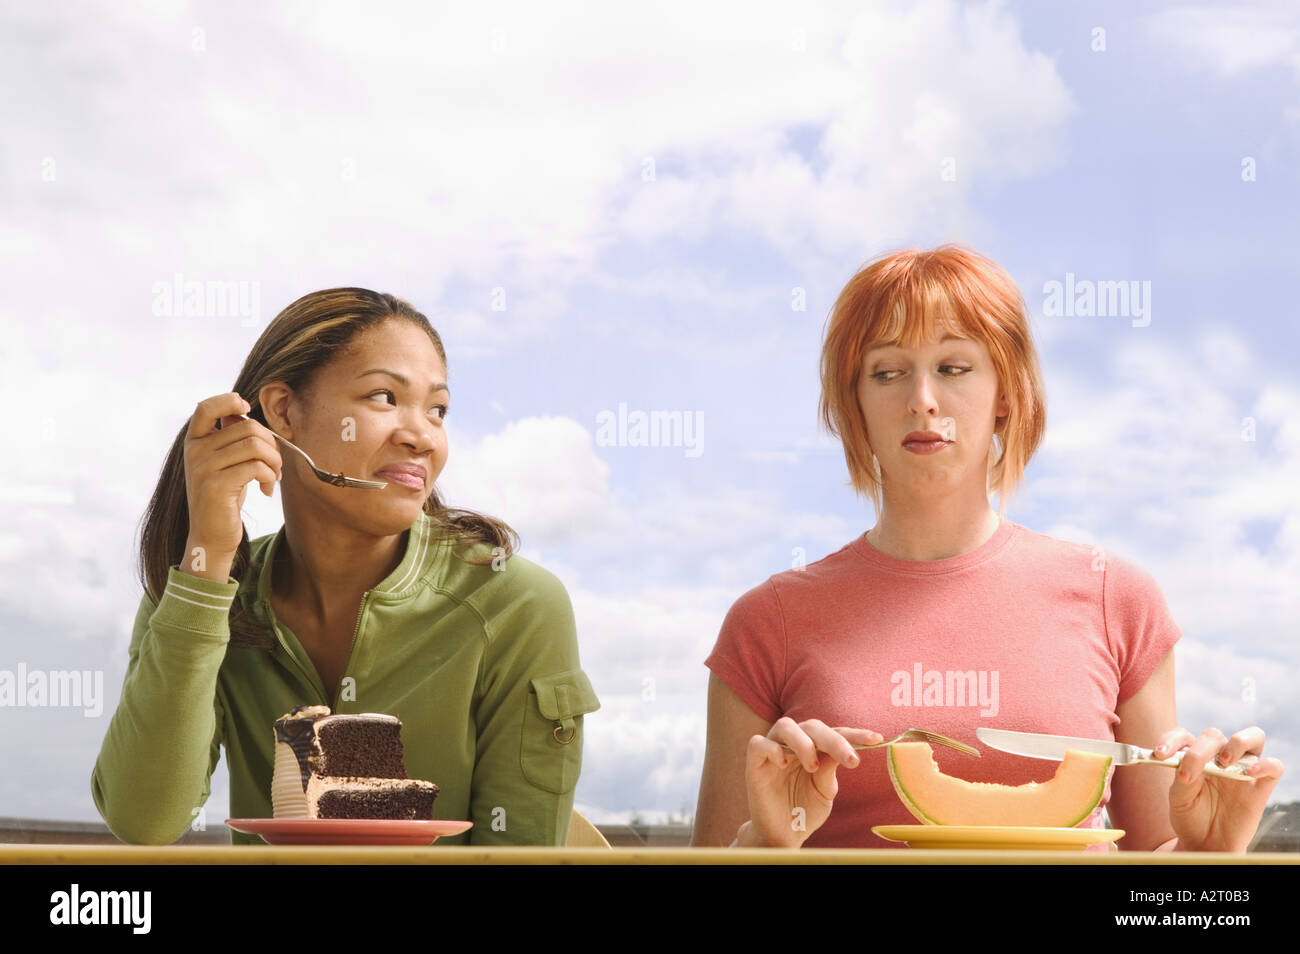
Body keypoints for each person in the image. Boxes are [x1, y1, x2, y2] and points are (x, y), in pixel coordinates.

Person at [692, 245, 1283, 851]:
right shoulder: (766, 623)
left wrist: (1210, 857)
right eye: (887, 371)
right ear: (855, 408)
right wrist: (766, 844)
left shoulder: (1120, 599)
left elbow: (1166, 913)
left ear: (1006, 396)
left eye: (954, 368)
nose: (922, 398)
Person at [93, 288, 599, 845]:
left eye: (438, 410)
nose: (422, 436)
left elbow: (518, 858)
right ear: (283, 411)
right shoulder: (202, 592)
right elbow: (144, 821)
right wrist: (207, 559)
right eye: (384, 397)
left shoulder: (516, 605)